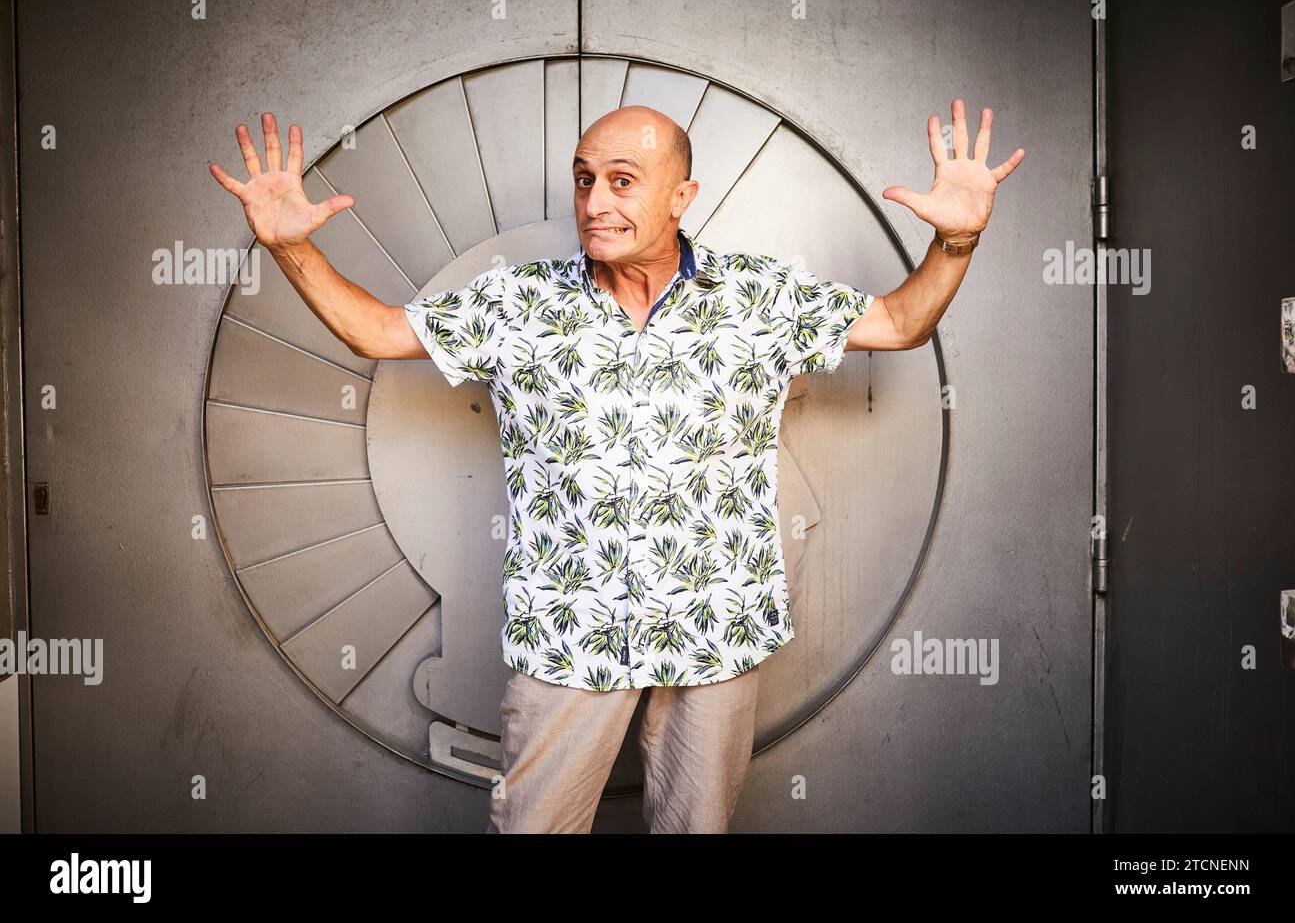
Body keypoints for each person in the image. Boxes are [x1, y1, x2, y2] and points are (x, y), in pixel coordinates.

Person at [209, 100, 1023, 833]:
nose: (596, 203)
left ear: (681, 195)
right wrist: (291, 247)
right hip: (572, 632)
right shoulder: (519, 303)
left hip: (716, 627)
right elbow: (378, 332)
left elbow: (902, 321)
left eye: (623, 181)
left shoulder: (757, 299)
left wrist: (957, 239)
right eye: (584, 179)